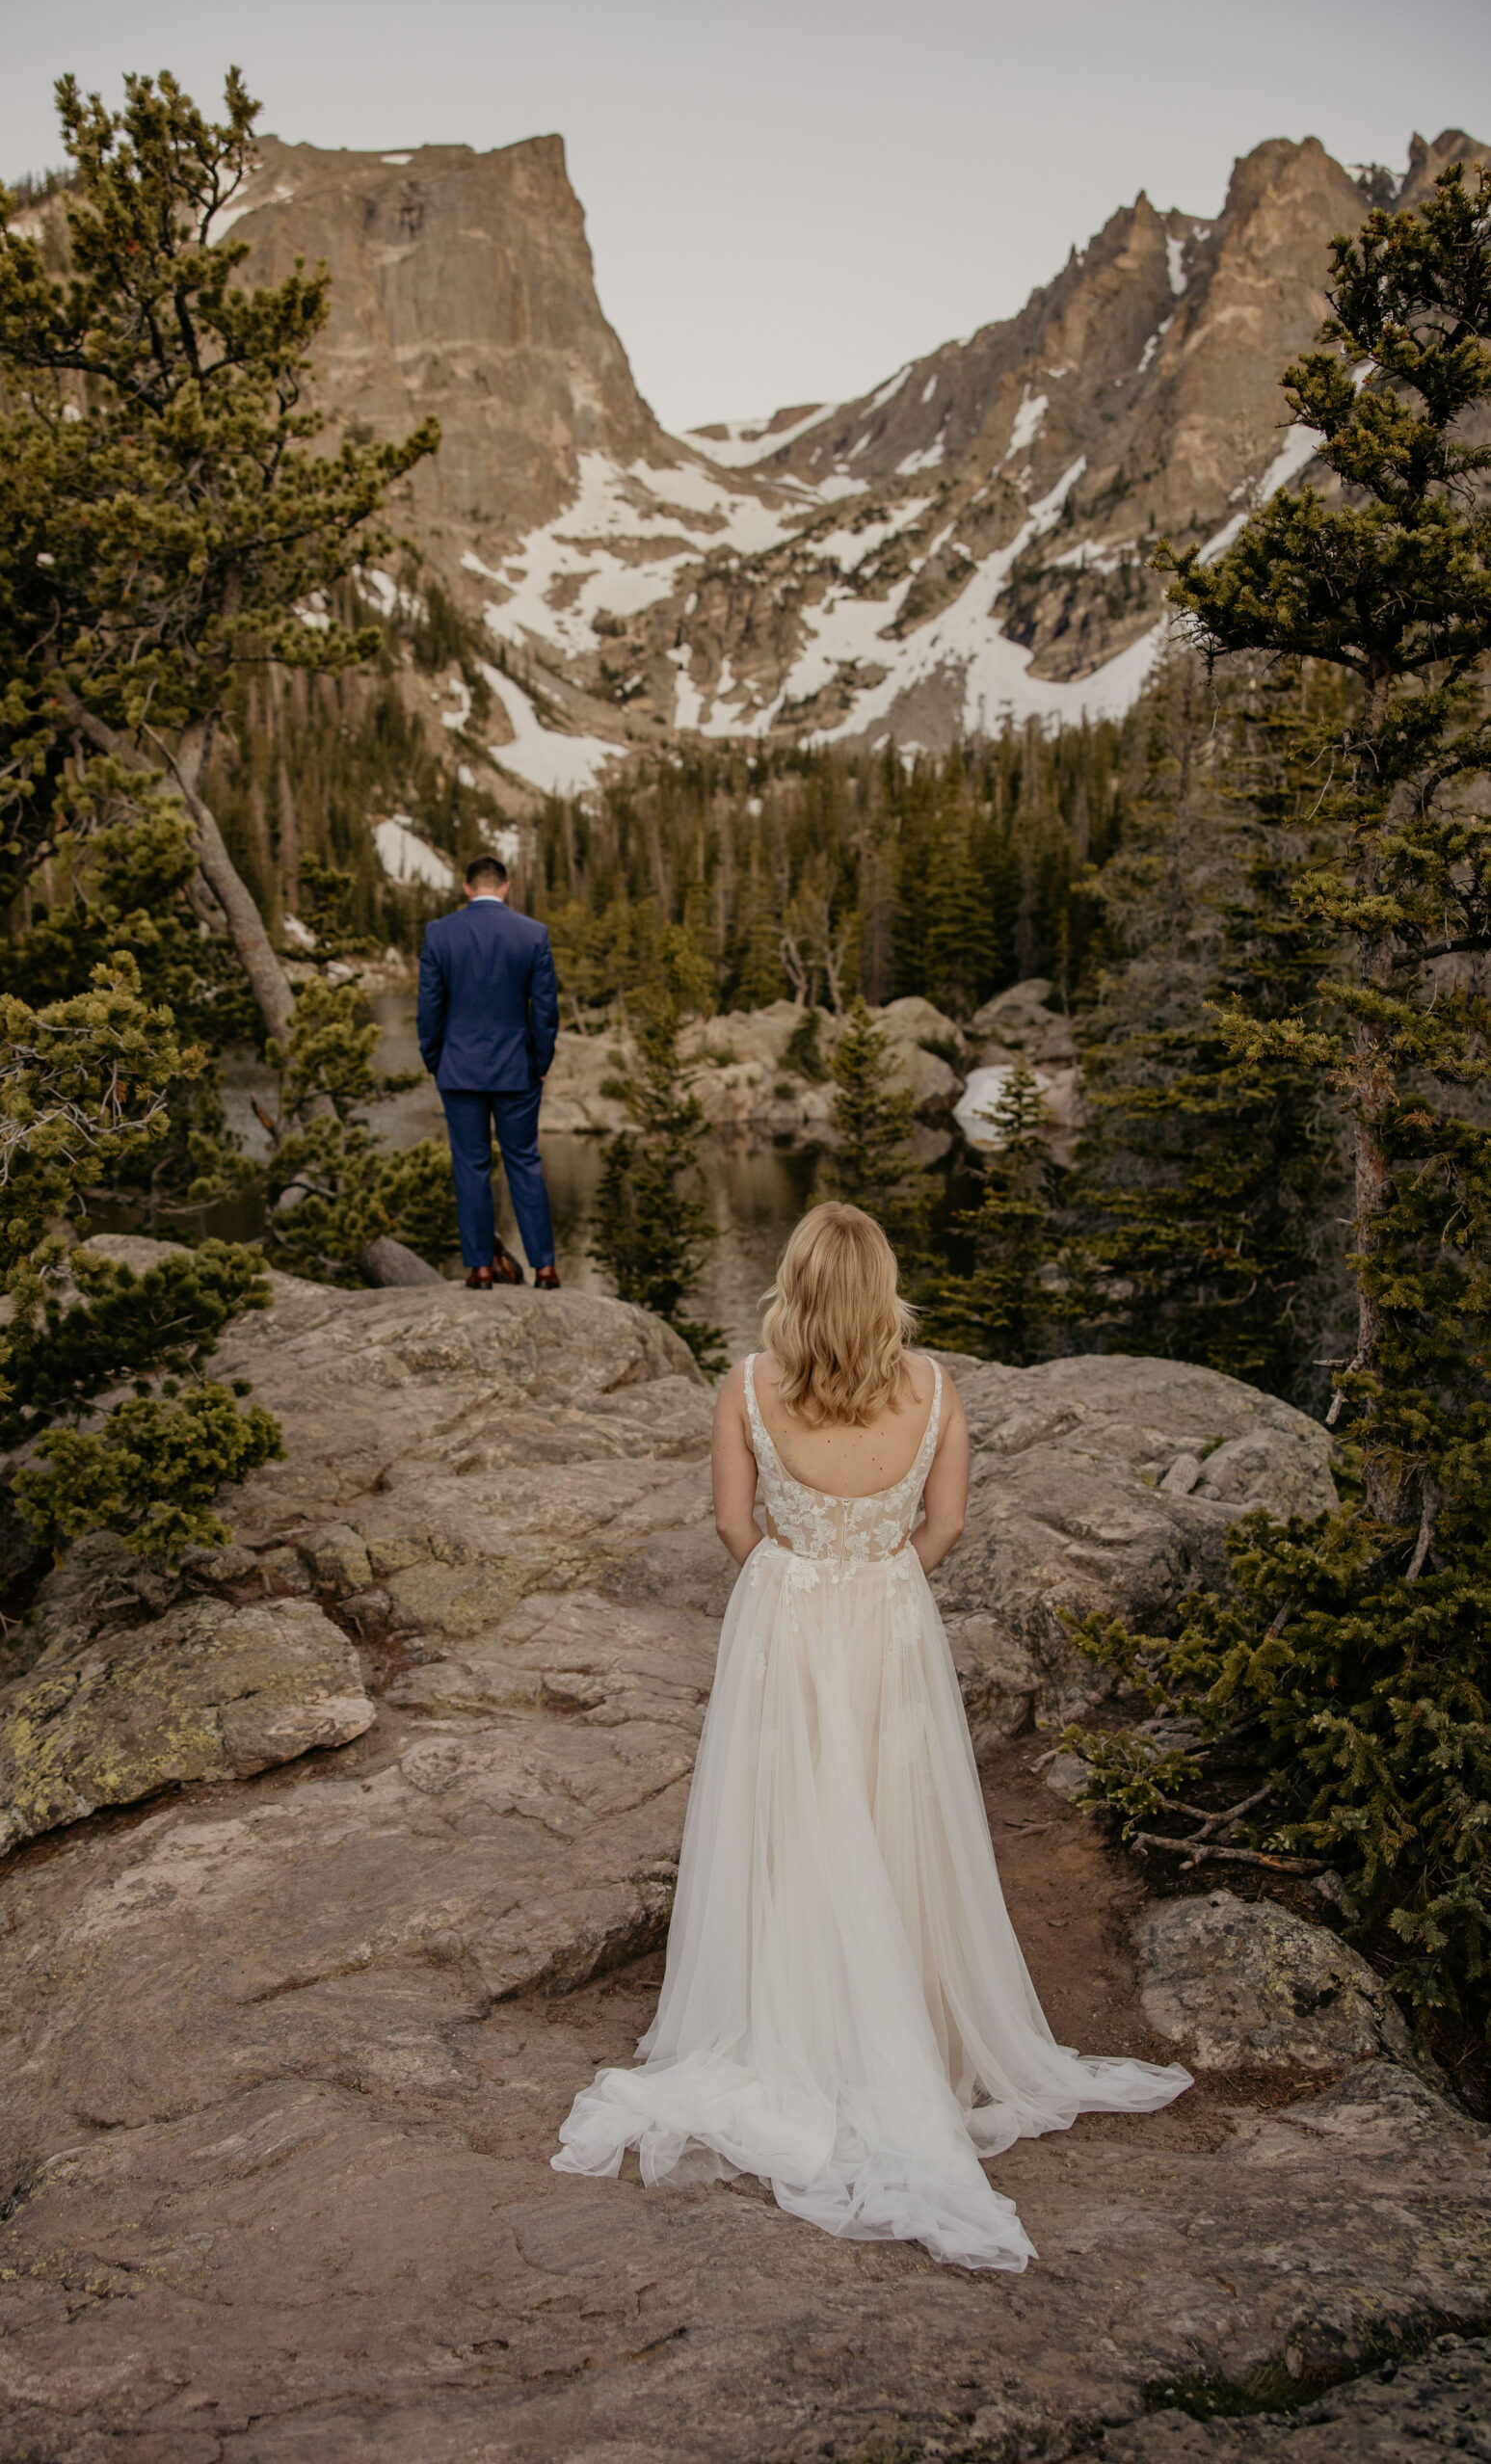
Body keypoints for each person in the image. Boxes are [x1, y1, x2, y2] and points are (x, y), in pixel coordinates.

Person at [552, 1203, 1189, 2269]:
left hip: (787, 1620)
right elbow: (943, 1525)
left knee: (793, 1812)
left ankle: (794, 2022)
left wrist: (795, 1578)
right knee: (891, 1807)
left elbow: (730, 1523)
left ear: (796, 1285)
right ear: (882, 1286)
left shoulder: (750, 1386)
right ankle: (917, 2033)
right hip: (888, 1622)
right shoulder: (934, 1391)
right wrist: (880, 1577)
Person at [417, 854, 561, 1290]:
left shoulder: (440, 933)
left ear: (467, 888)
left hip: (458, 1071)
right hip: (516, 1070)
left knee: (470, 1167)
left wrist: (435, 1060)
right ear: (505, 887)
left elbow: (429, 1009)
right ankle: (545, 1269)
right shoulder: (532, 934)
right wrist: (538, 1063)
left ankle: (480, 1268)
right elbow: (546, 1011)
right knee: (524, 1163)